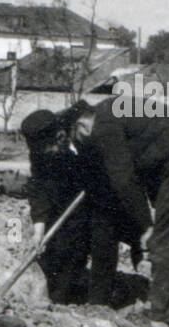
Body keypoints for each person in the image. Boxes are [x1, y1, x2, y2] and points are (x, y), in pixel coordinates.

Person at [67, 97, 169, 327]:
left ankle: (159, 323)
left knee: (168, 238)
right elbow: (146, 151)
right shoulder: (111, 110)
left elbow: (123, 178)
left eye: (78, 140)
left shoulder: (104, 124)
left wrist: (145, 226)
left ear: (81, 126)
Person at [20, 108, 137, 306]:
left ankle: (99, 302)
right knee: (62, 242)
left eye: (49, 150)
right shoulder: (41, 150)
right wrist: (38, 228)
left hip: (104, 193)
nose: (46, 156)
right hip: (70, 193)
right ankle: (62, 293)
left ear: (60, 136)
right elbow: (40, 188)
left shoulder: (88, 131)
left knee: (103, 236)